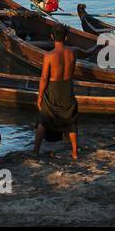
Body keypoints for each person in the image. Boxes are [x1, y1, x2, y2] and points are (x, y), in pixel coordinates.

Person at [34, 25, 78, 159]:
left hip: (53, 89)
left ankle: (36, 151)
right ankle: (75, 152)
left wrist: (40, 96)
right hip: (67, 88)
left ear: (52, 37)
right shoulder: (72, 52)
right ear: (66, 37)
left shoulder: (49, 56)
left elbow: (44, 78)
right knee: (71, 121)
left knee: (43, 120)